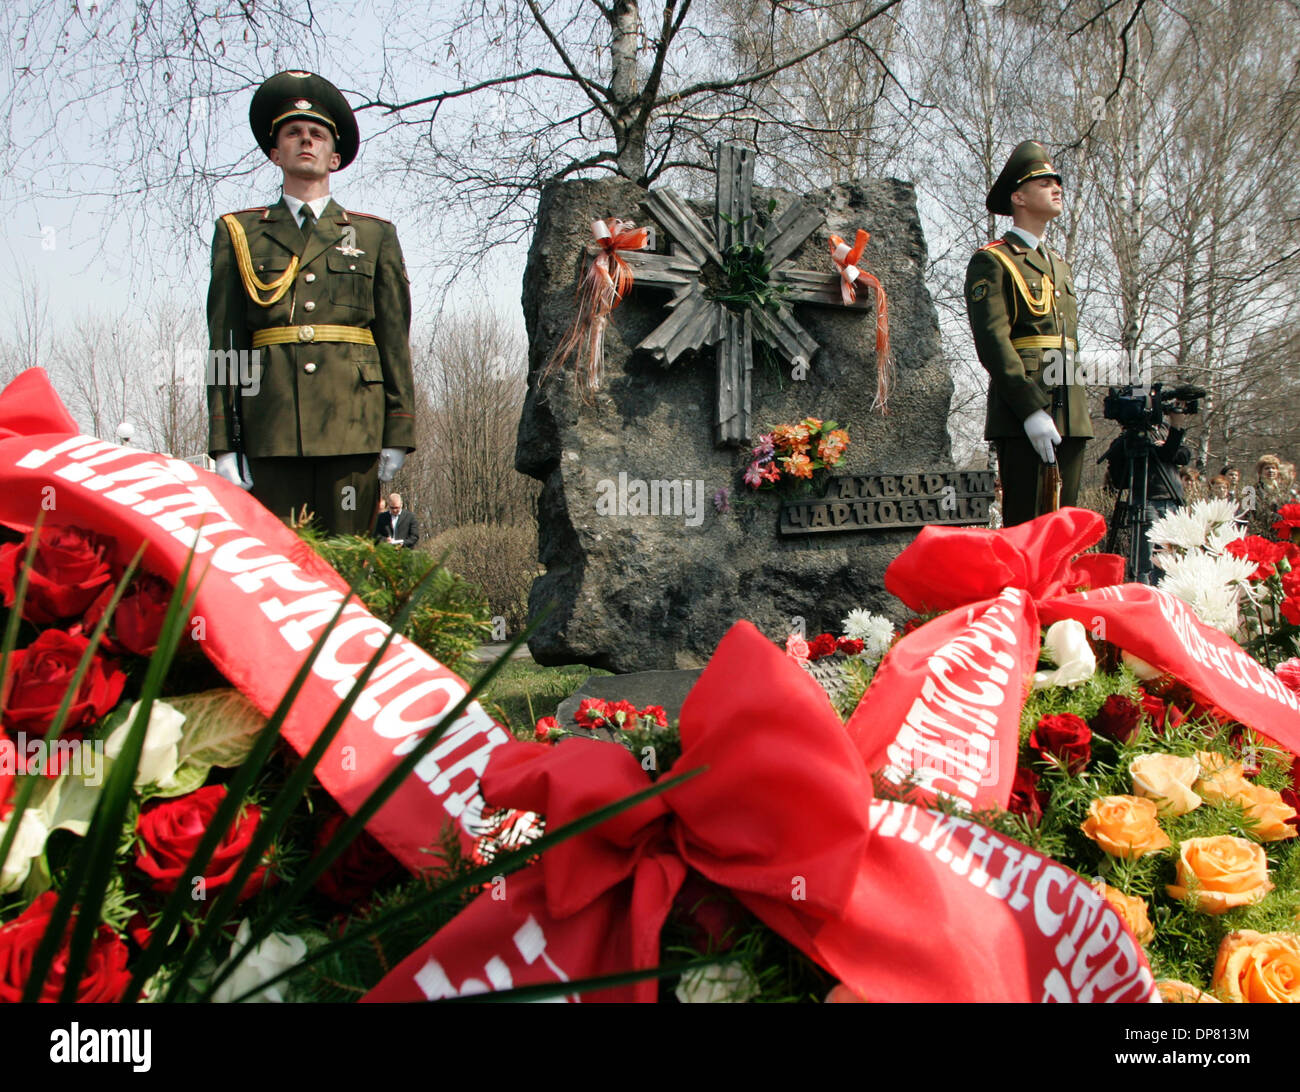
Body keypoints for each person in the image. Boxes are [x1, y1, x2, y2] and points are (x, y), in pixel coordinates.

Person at [206, 71, 416, 536]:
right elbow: (225, 343)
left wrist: (398, 428)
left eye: (317, 134)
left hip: (353, 423)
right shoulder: (239, 233)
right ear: (274, 152)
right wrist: (224, 441)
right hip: (271, 427)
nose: (306, 141)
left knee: (350, 573)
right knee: (279, 571)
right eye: (293, 133)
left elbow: (394, 340)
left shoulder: (373, 235)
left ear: (335, 156)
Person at [965, 141, 1091, 526]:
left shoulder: (1059, 266)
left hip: (1070, 403)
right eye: (1044, 182)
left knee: (1062, 531)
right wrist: (1030, 408)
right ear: (1018, 196)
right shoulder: (994, 259)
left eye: (1058, 182)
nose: (1057, 189)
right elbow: (993, 342)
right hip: (1027, 406)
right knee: (1027, 530)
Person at [1103, 410, 1191, 583]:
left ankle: (1166, 596)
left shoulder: (1164, 430)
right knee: (1145, 561)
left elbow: (1183, 455)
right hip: (1145, 501)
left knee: (1171, 559)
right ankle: (1144, 596)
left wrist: (1167, 443)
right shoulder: (1125, 440)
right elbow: (1119, 479)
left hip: (1172, 499)